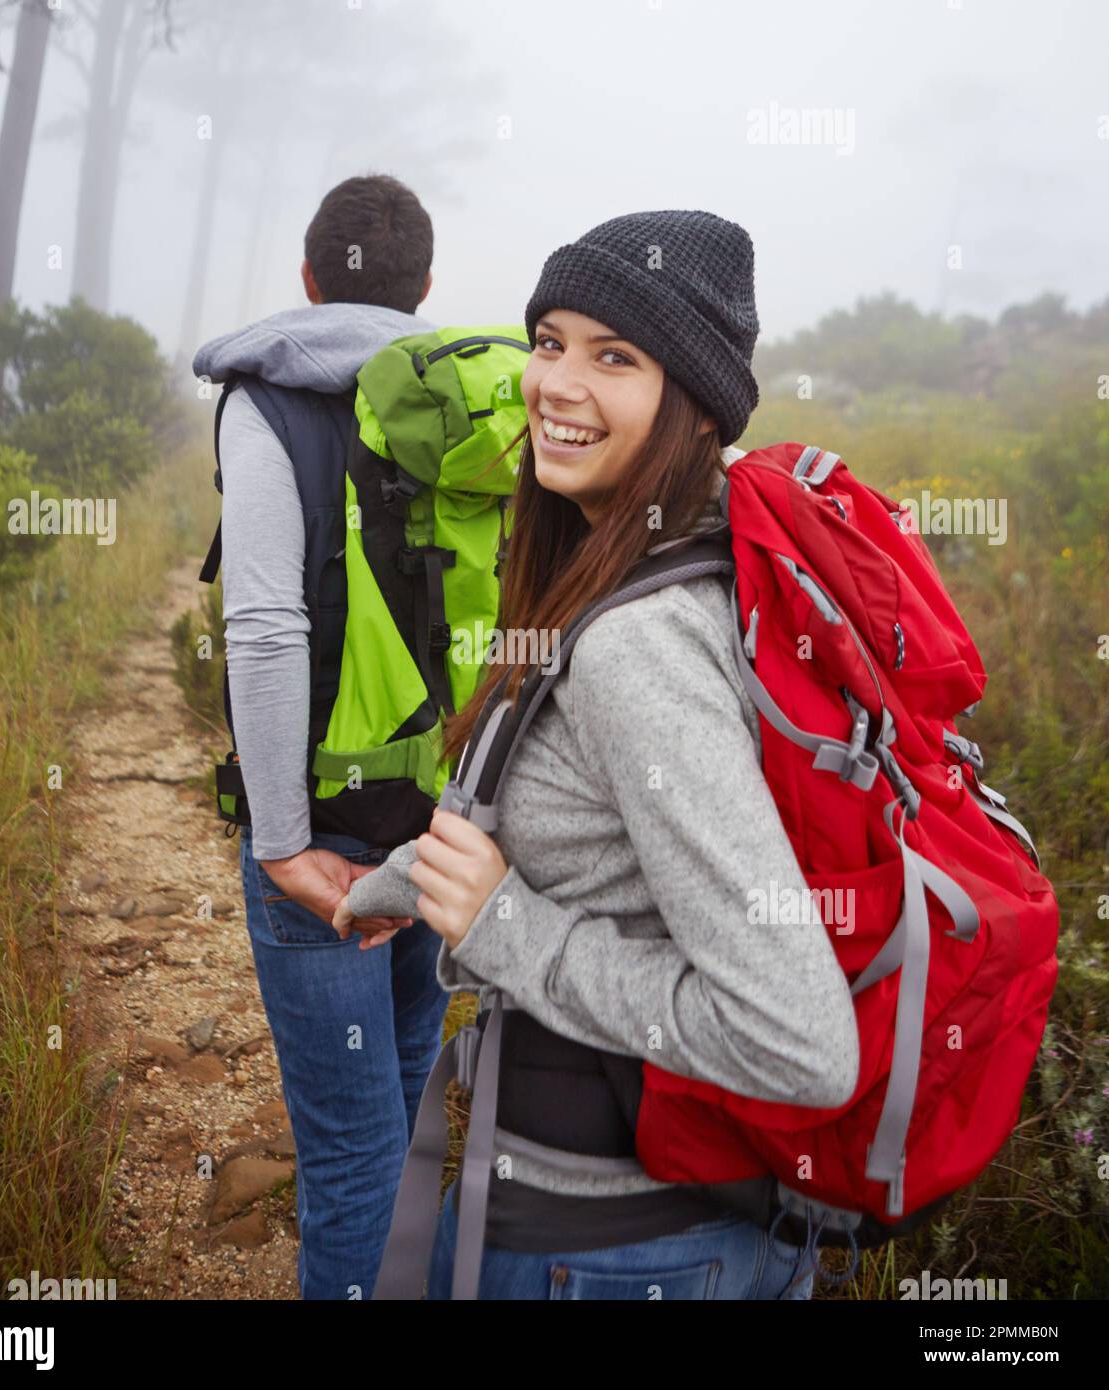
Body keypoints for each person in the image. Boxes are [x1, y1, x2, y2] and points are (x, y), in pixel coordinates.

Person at [335, 209, 862, 1300]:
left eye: (614, 357)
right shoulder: (669, 551)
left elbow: (800, 1041)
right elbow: (580, 808)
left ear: (693, 402)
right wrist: (401, 883)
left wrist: (503, 926)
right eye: (549, 341)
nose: (556, 384)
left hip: (621, 1248)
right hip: (666, 1230)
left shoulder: (637, 644)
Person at [192, 174, 450, 1301]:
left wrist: (286, 845)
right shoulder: (473, 402)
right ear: (426, 288)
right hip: (442, 833)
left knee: (353, 1153)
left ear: (307, 279)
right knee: (410, 1134)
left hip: (326, 847)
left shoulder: (266, 399)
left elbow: (263, 623)